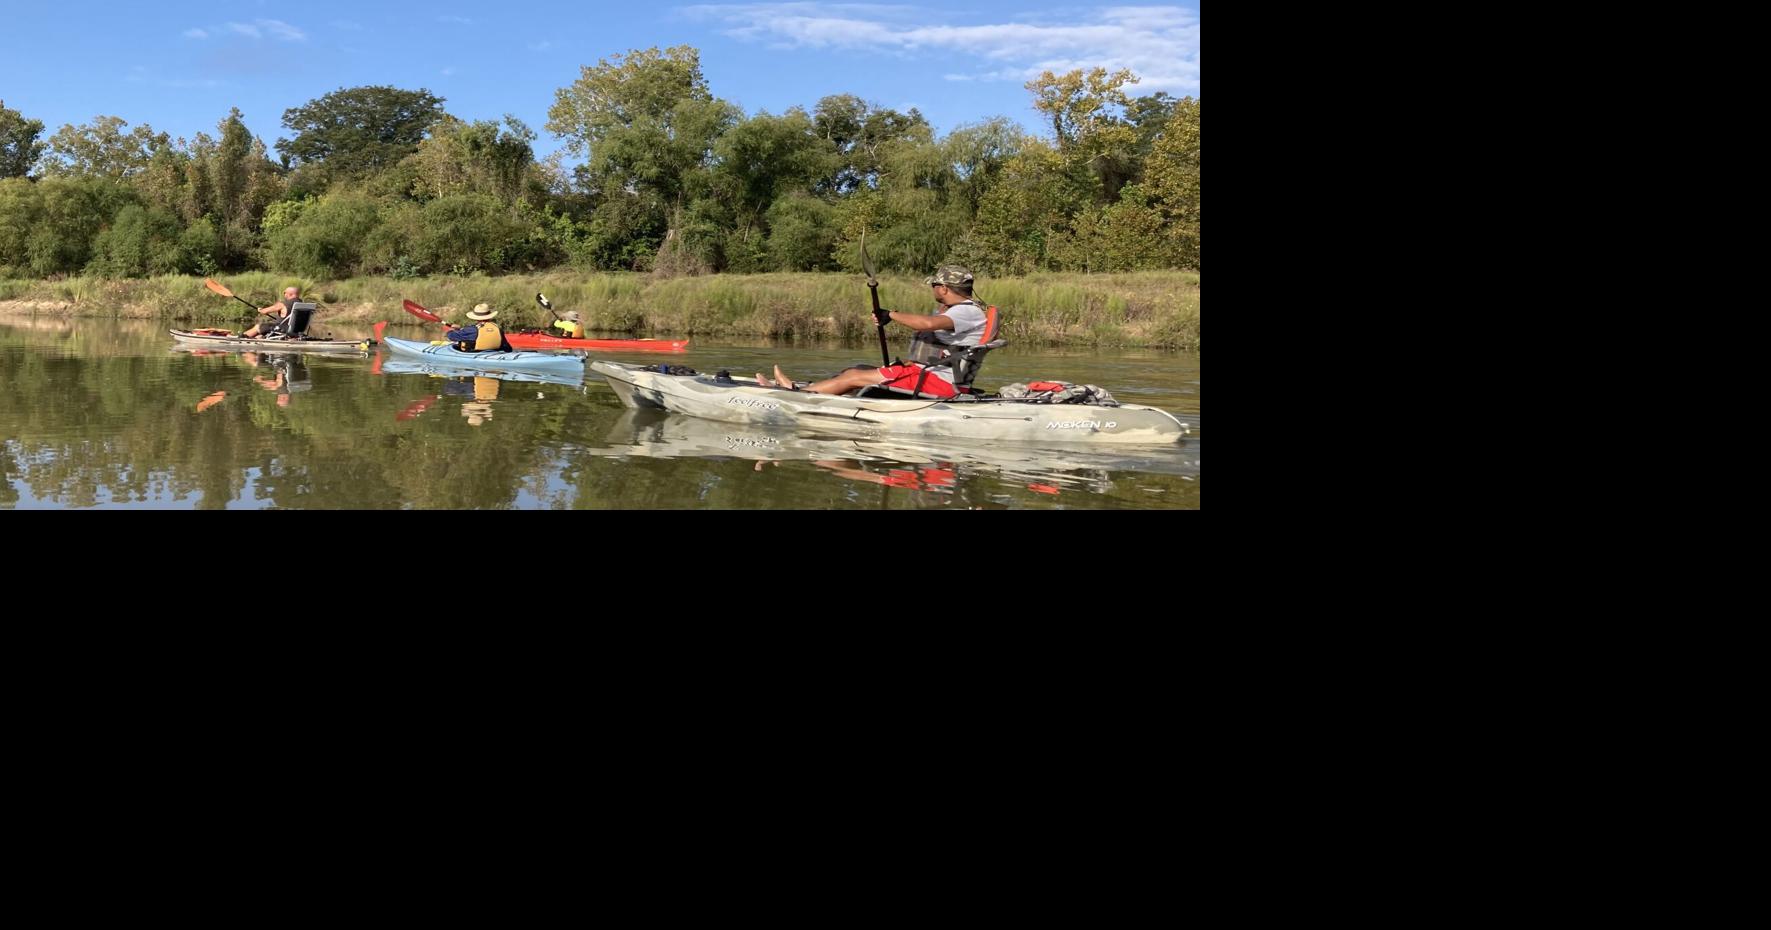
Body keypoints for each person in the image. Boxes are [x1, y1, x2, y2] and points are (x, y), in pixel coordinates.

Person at [760, 265, 990, 398]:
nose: (933, 289)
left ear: (944, 288)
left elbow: (926, 324)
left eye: (934, 286)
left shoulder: (966, 312)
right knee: (854, 370)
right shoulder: (959, 310)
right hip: (927, 374)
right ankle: (812, 391)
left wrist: (890, 314)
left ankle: (794, 396)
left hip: (936, 382)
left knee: (854, 377)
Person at [446, 304, 513, 353]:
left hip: (475, 355)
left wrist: (452, 330)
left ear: (476, 318)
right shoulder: (497, 328)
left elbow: (451, 336)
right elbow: (508, 349)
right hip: (495, 355)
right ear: (489, 316)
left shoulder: (472, 329)